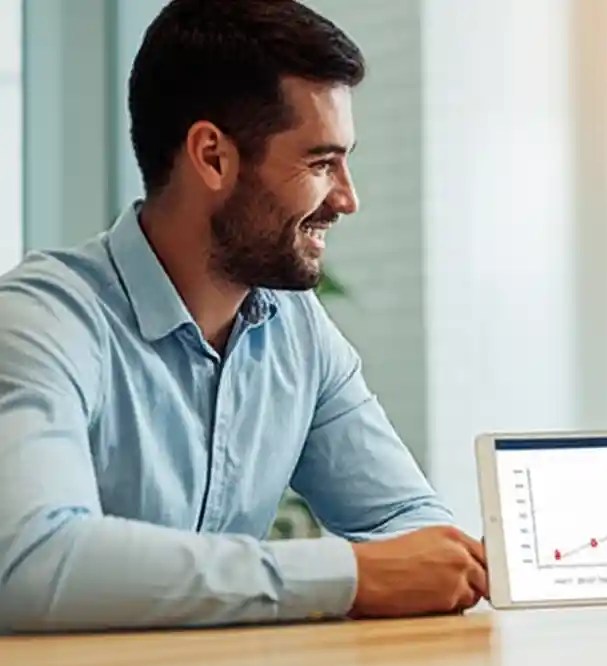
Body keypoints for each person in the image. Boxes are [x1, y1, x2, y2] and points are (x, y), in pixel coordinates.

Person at [0, 0, 486, 632]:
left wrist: (413, 568)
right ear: (212, 156)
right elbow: (33, 562)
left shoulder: (299, 332)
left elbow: (412, 532)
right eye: (321, 163)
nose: (347, 199)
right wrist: (346, 575)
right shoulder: (41, 322)